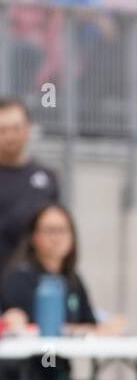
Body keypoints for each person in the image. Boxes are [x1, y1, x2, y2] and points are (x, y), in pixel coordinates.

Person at [0, 203, 126, 380]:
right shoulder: (21, 279)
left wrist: (104, 329)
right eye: (49, 230)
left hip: (61, 379)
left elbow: (91, 325)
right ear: (34, 237)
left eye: (63, 230)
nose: (57, 237)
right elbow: (23, 327)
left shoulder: (72, 280)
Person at [0, 98, 60, 272]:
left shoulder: (47, 179)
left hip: (34, 283)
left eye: (16, 128)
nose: (10, 136)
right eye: (3, 130)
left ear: (28, 129)